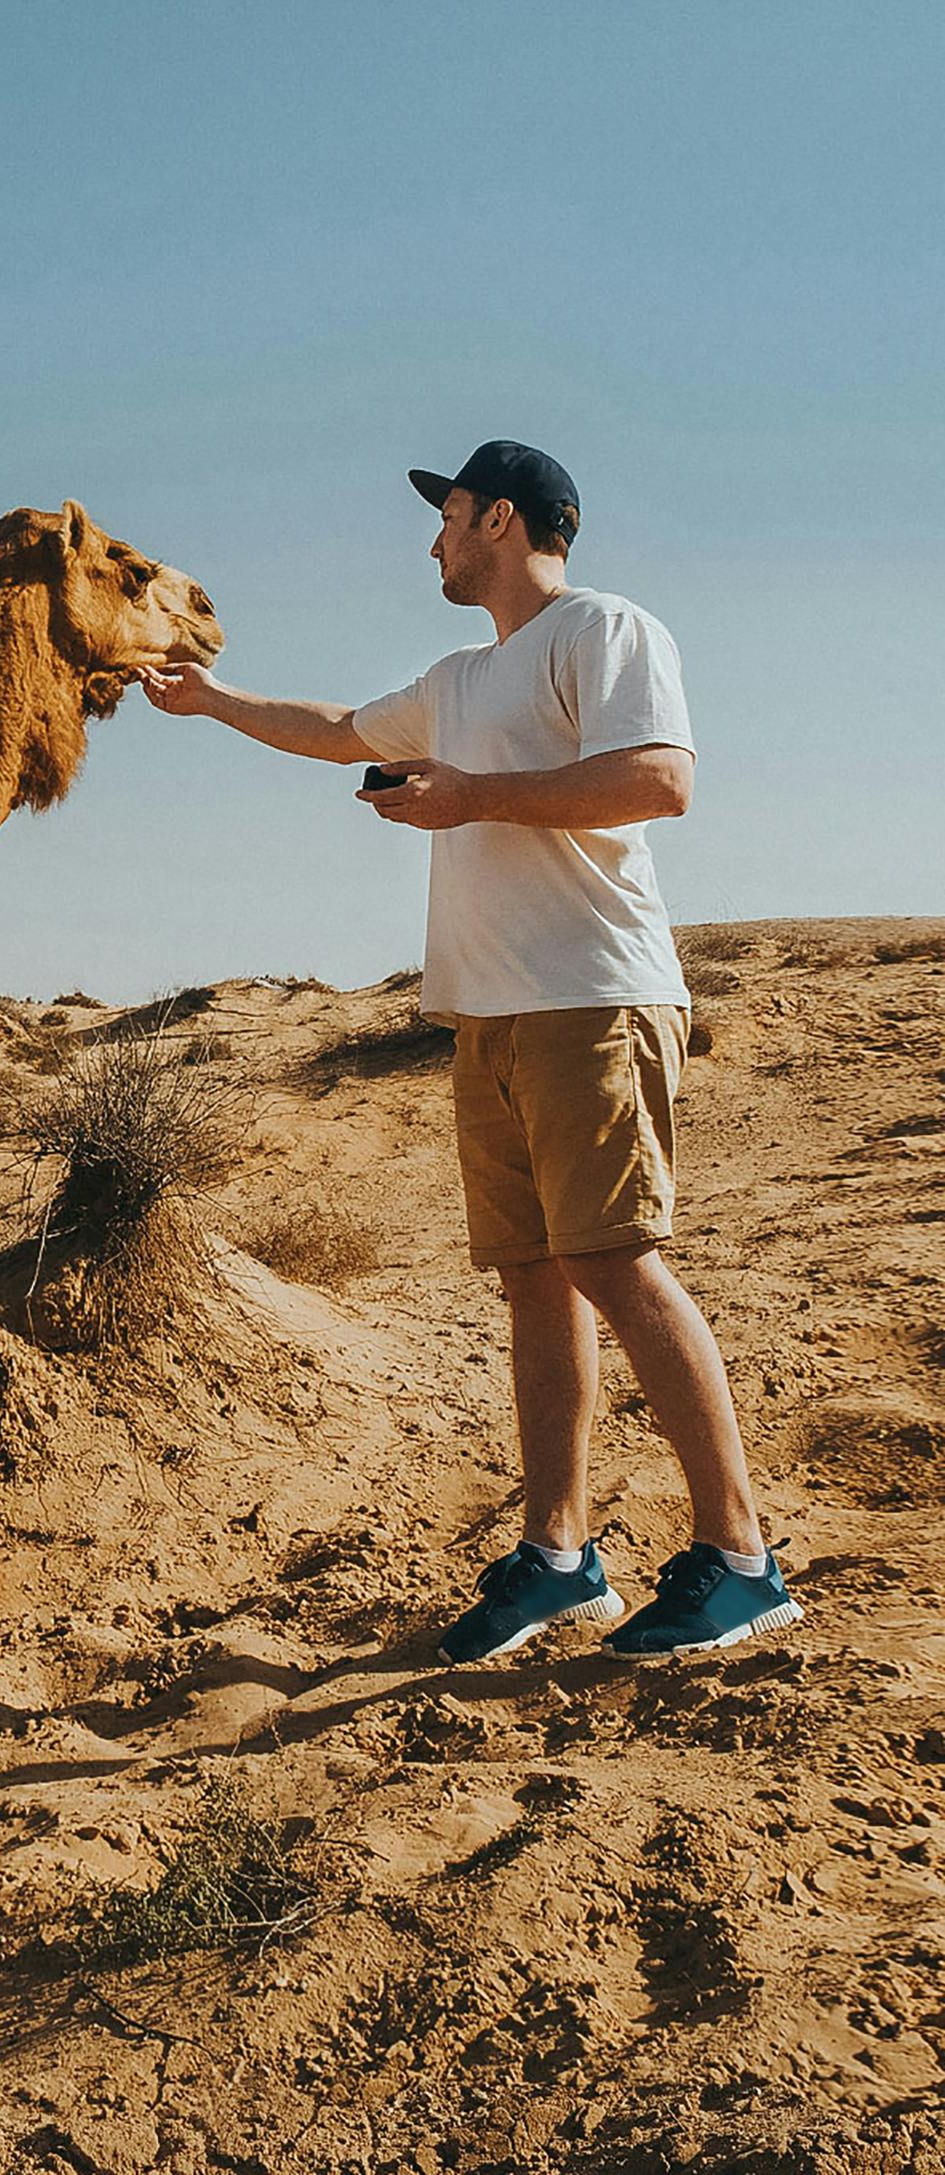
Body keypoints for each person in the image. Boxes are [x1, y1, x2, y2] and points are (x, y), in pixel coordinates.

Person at [141, 439, 798, 1662]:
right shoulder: (459, 675)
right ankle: (559, 1556)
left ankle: (743, 1557)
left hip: (591, 997)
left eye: (446, 517)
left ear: (499, 515)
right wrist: (214, 702)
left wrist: (470, 798)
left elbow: (659, 779)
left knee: (616, 1262)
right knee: (537, 1280)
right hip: (490, 1013)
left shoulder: (604, 627)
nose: (431, 541)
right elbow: (341, 726)